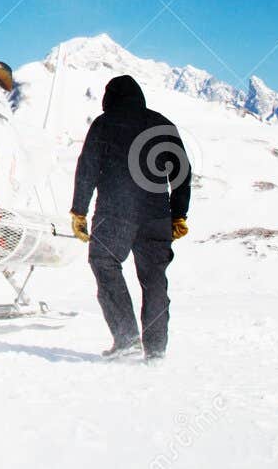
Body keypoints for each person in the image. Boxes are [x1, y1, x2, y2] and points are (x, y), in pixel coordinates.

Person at [68, 75, 190, 361]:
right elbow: (182, 174)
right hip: (156, 216)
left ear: (109, 97)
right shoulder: (162, 124)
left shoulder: (104, 123)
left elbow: (87, 167)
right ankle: (156, 349)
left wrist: (79, 210)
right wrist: (178, 215)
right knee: (154, 279)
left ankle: (126, 338)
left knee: (104, 262)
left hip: (115, 213)